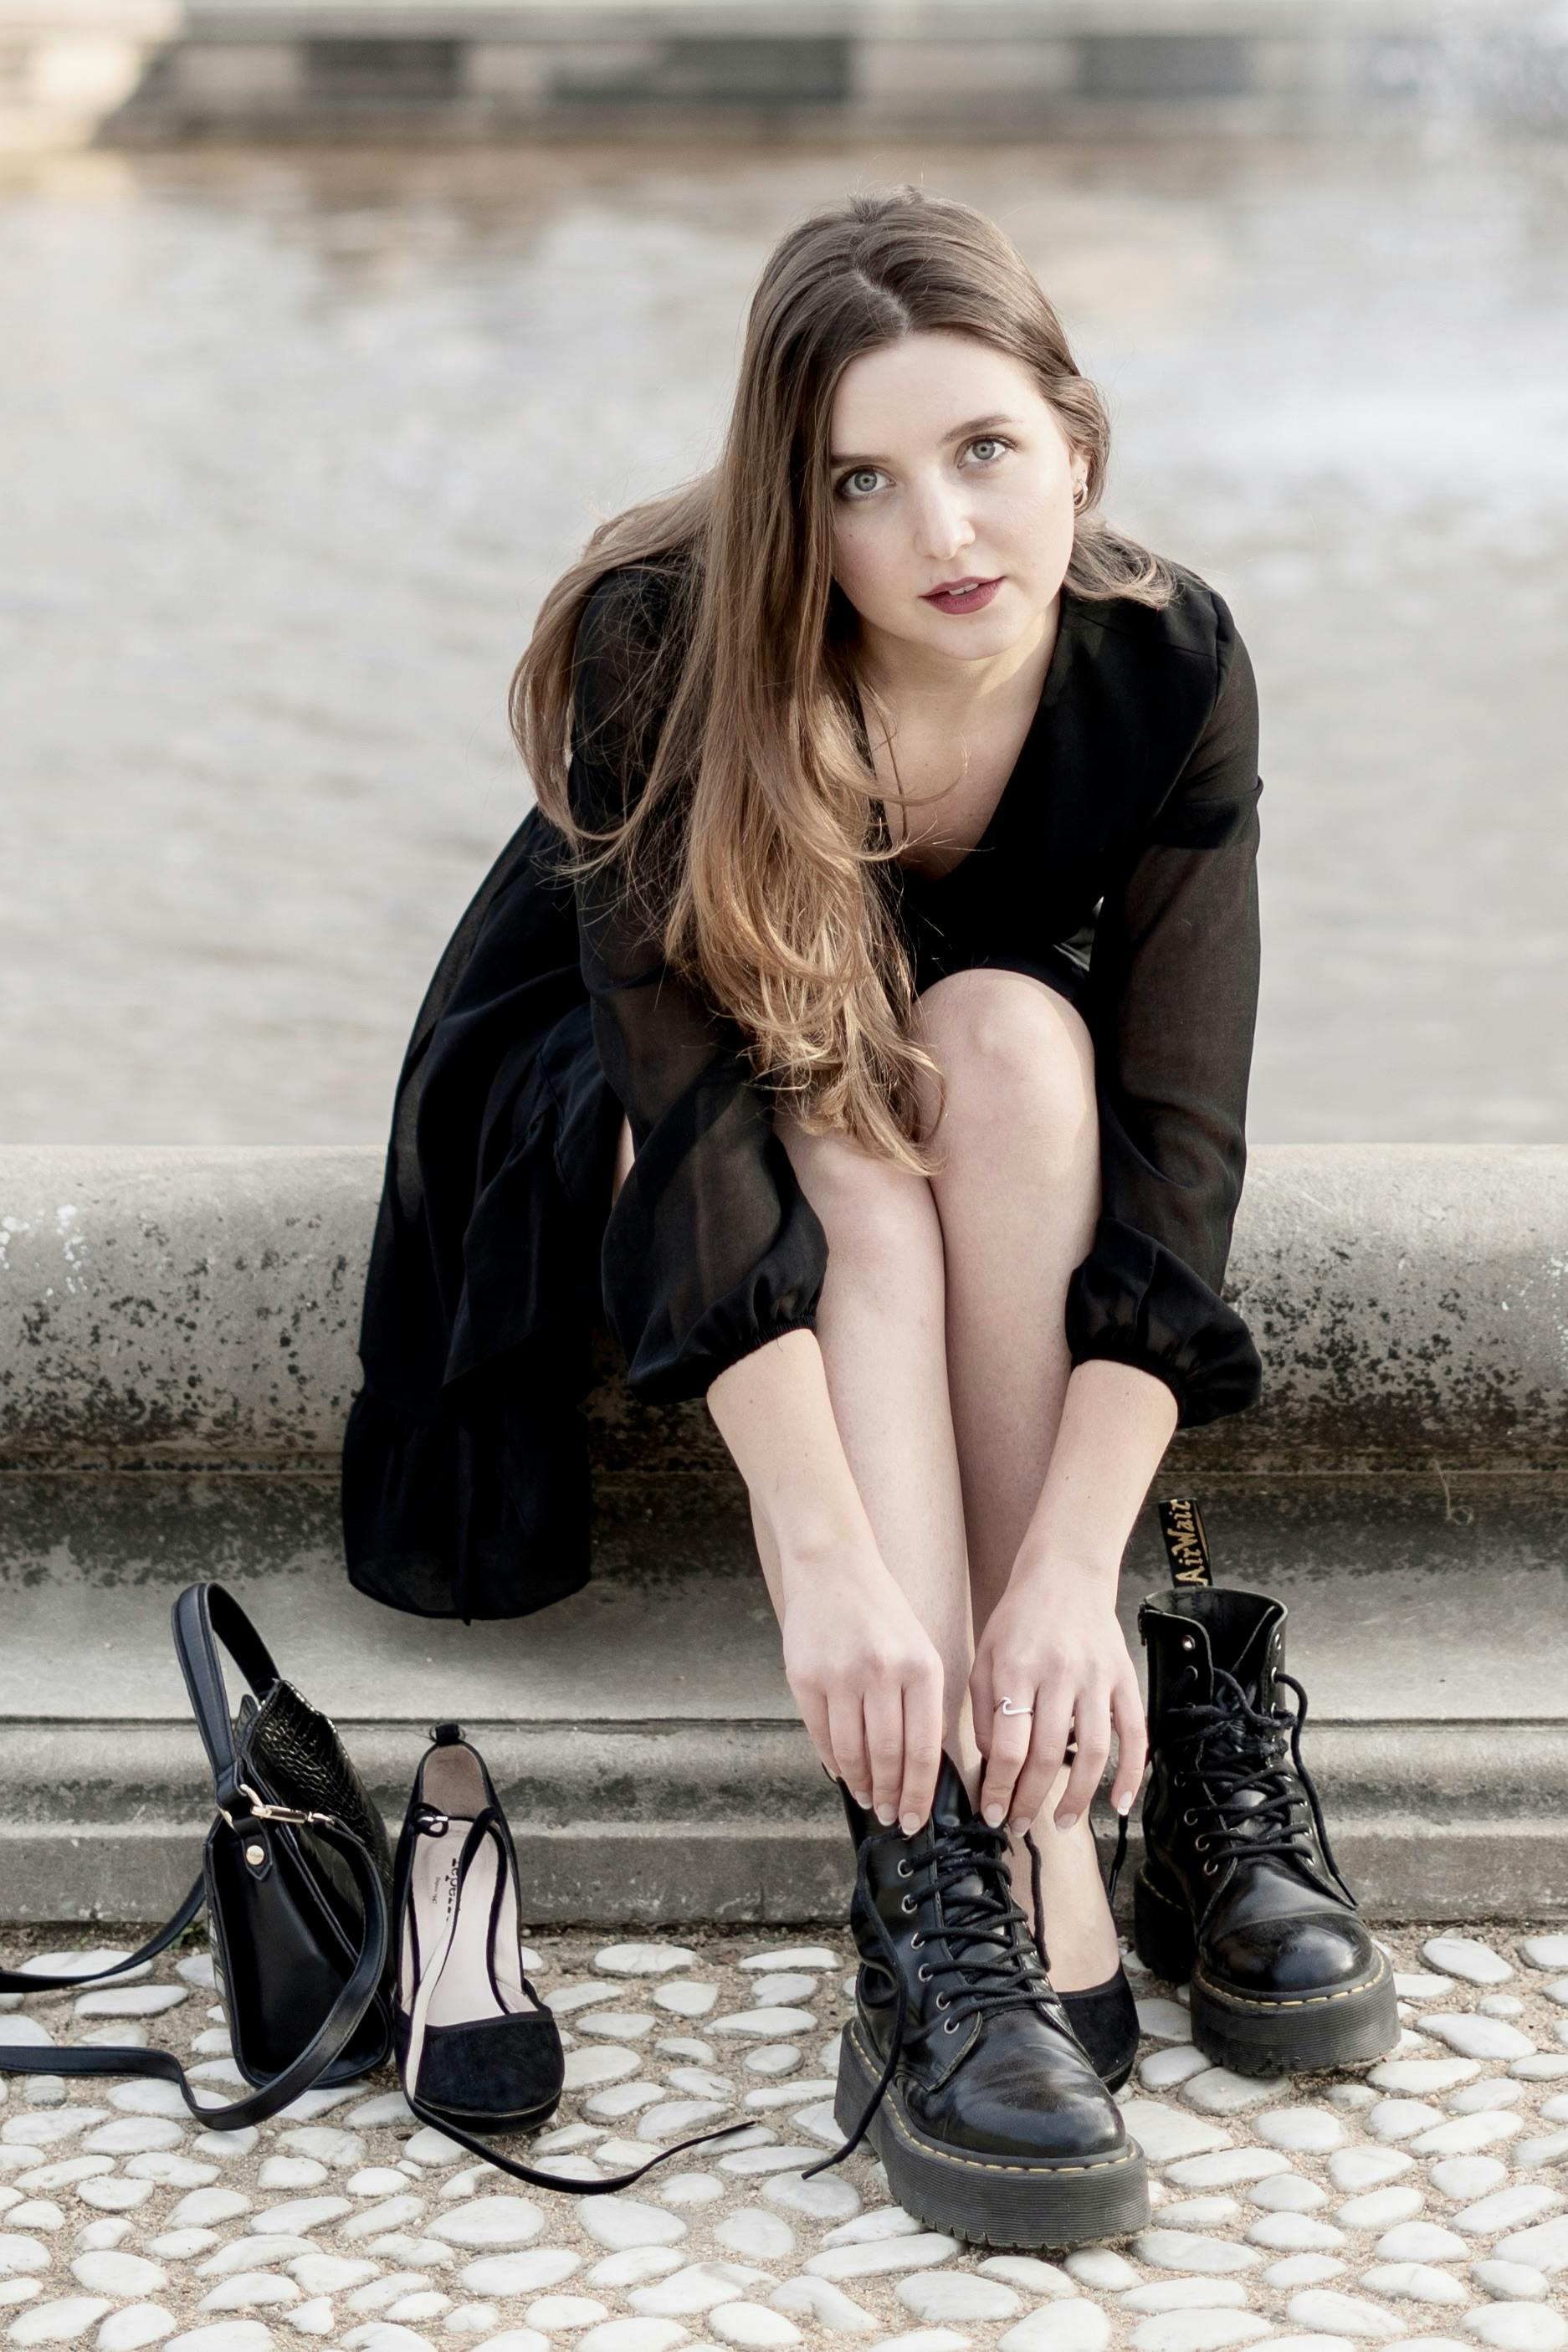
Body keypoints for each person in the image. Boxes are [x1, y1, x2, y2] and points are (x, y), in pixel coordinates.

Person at [341, 182, 1271, 2238]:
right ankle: (935, 1880)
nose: (944, 530)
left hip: (957, 1070)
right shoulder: (667, 640)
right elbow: (695, 1131)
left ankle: (1032, 1808)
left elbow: (1180, 1146)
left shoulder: (1166, 658)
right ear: (795, 504)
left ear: (1076, 443)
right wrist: (829, 1561)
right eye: (862, 481)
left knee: (1014, 1039)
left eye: (985, 450)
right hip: (624, 1076)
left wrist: (1073, 1575)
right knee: (839, 1138)